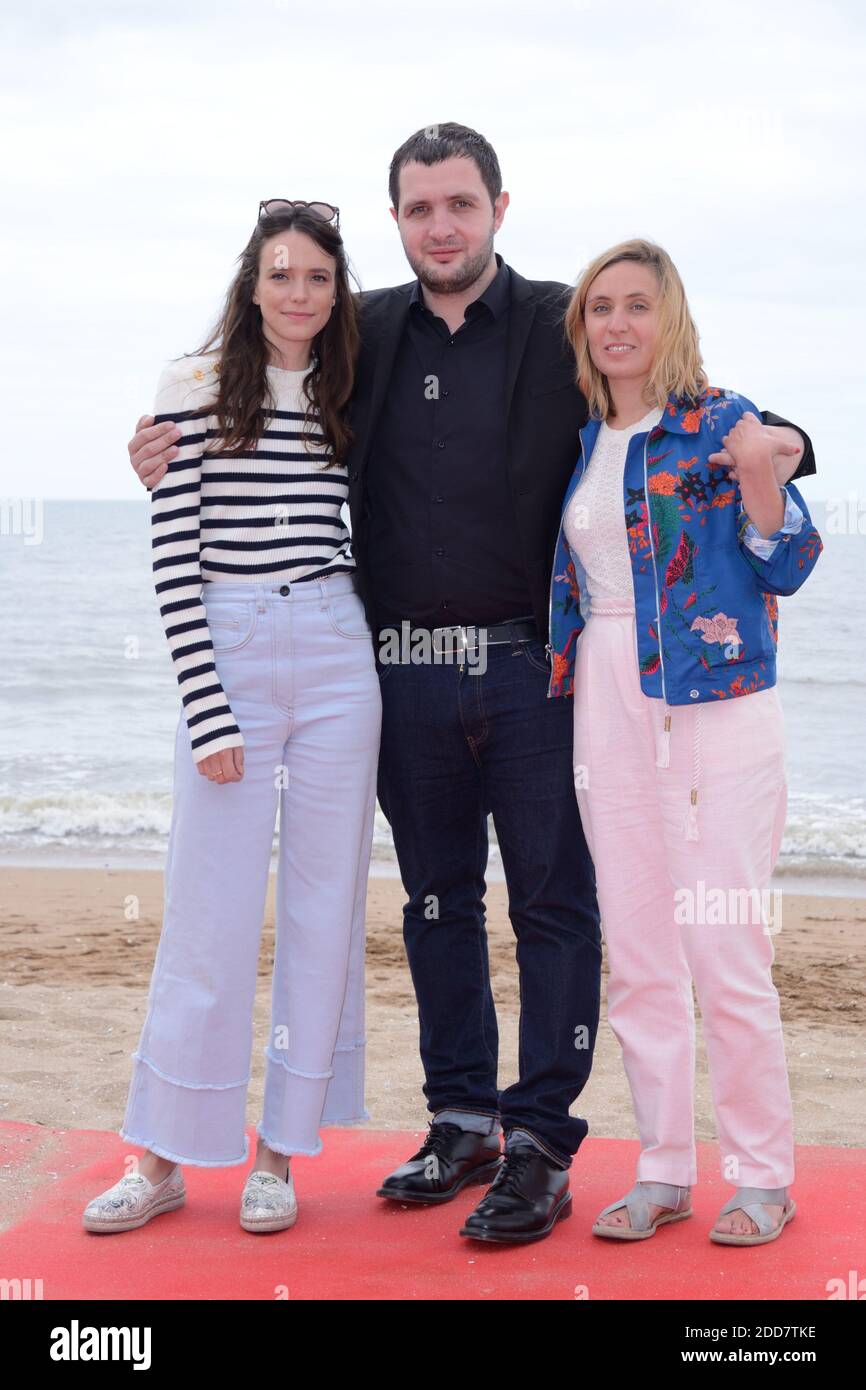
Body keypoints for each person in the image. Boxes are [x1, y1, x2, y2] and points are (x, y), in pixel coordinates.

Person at [127, 124, 819, 1246]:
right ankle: (460, 1119)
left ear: (499, 205)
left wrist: (787, 440)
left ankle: (540, 1137)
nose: (439, 226)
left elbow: (686, 409)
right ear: (396, 221)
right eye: (417, 209)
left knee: (555, 906)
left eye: (459, 203)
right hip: (396, 668)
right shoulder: (366, 332)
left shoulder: (565, 323)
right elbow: (271, 406)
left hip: (537, 672)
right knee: (436, 903)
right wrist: (164, 442)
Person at [84, 201, 382, 1235]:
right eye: (280, 275)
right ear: (249, 285)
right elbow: (173, 559)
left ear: (336, 291)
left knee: (320, 914)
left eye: (317, 278)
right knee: (205, 920)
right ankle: (162, 1156)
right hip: (234, 649)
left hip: (340, 654)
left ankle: (278, 1158)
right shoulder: (195, 384)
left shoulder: (354, 381)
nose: (298, 294)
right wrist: (208, 711)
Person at [547, 238, 822, 1245]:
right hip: (605, 705)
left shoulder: (722, 421)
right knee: (640, 952)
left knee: (723, 946)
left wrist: (760, 475)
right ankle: (662, 1165)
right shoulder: (585, 441)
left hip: (714, 706)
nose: (616, 322)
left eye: (636, 304)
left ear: (670, 320)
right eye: (599, 307)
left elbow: (787, 558)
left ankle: (760, 1174)